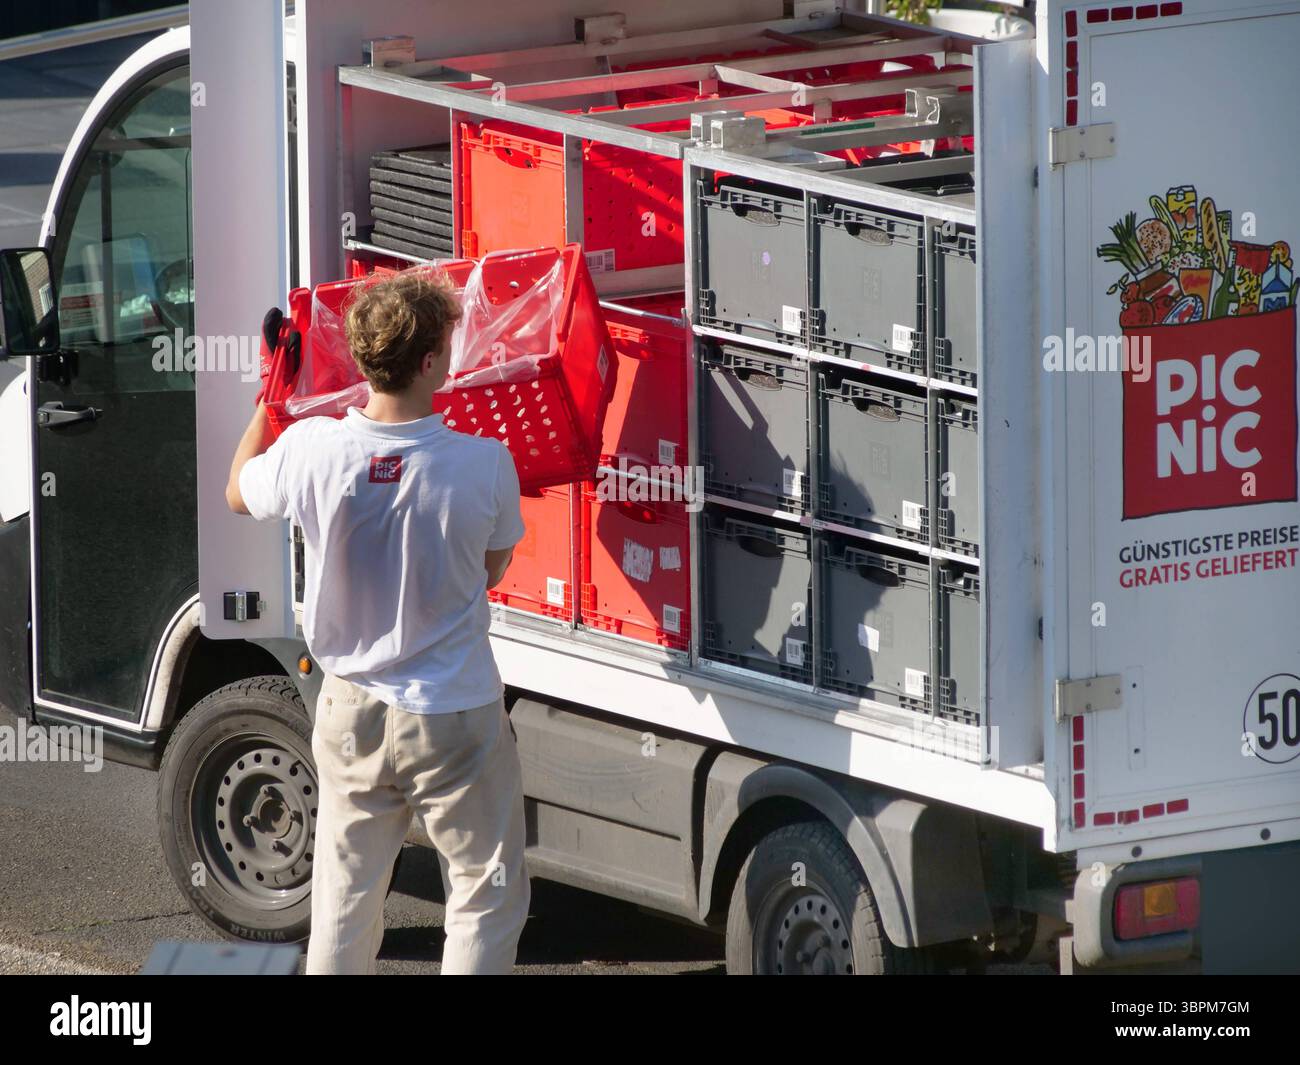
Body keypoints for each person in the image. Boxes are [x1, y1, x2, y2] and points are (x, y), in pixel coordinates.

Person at [225, 269, 530, 974]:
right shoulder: (485, 466)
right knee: (485, 894)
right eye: (448, 345)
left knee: (343, 899)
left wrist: (267, 407)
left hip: (347, 709)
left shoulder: (312, 450)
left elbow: (237, 490)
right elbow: (492, 569)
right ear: (428, 363)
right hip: (454, 715)